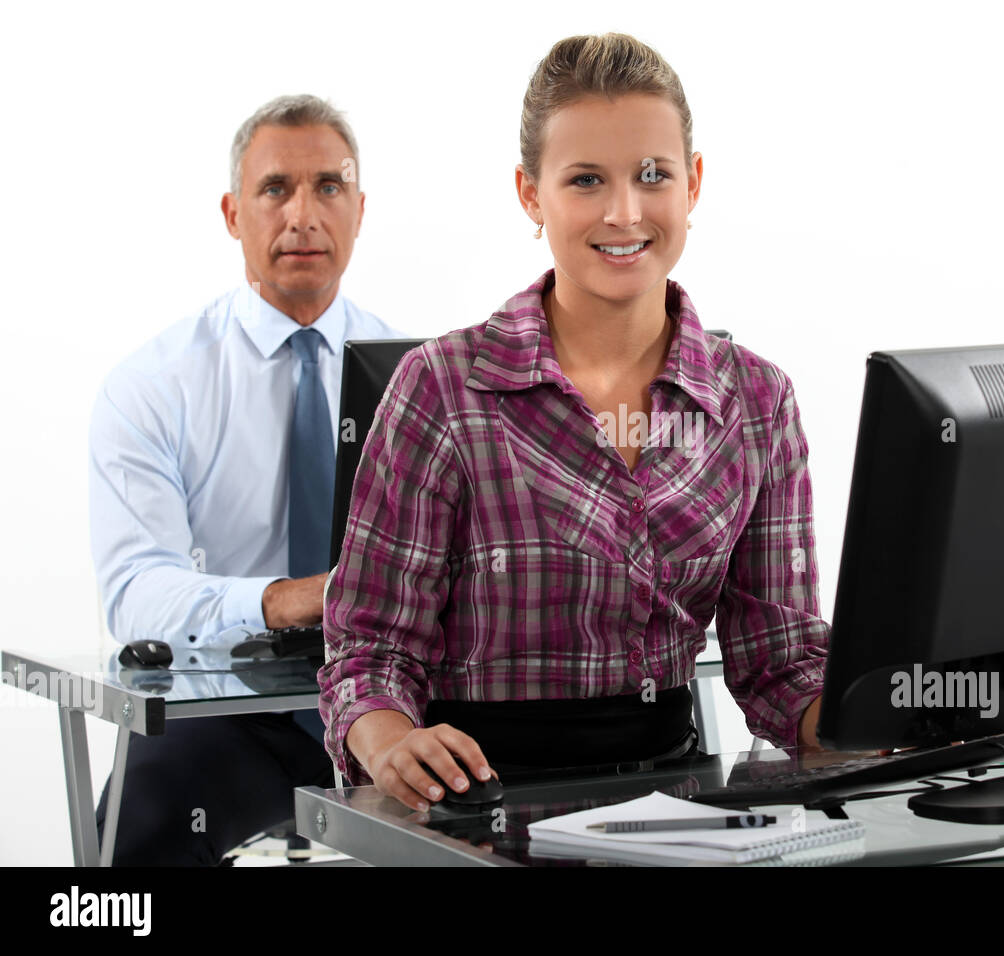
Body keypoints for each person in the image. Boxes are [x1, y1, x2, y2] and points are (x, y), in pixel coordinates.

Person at [319, 33, 828, 812]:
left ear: (692, 183)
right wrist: (390, 741)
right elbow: (370, 650)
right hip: (471, 800)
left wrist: (888, 721)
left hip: (675, 812)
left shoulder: (757, 403)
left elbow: (781, 663)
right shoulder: (443, 391)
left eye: (653, 175)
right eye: (586, 180)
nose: (624, 212)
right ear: (531, 195)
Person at [87, 94, 407, 864]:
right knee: (139, 823)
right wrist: (284, 599)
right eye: (275, 190)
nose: (303, 214)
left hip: (396, 703)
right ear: (233, 213)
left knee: (533, 793)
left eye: (329, 187)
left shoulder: (419, 376)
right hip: (235, 715)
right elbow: (135, 593)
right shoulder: (153, 385)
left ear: (360, 210)